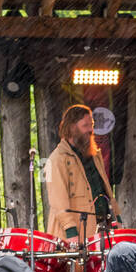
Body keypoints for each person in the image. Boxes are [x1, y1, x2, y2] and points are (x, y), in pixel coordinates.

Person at [45, 104, 121, 246]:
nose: (91, 130)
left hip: (100, 231)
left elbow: (104, 189)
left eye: (91, 125)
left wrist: (117, 218)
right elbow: (57, 201)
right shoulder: (56, 159)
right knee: (78, 268)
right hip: (74, 235)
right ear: (72, 128)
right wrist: (71, 231)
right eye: (85, 125)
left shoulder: (94, 155)